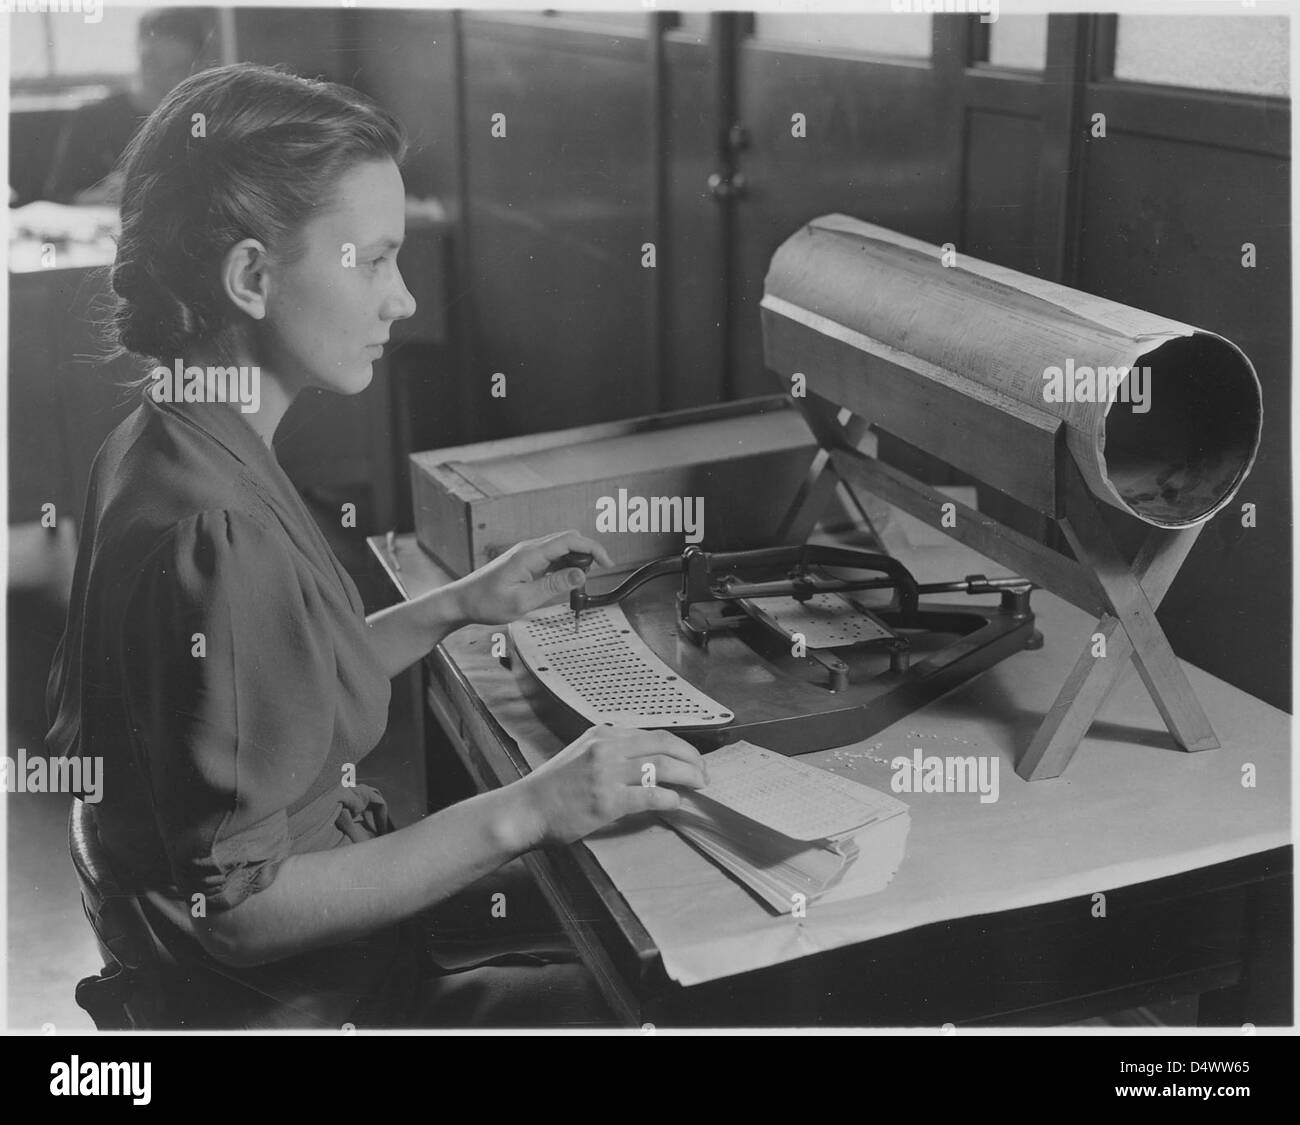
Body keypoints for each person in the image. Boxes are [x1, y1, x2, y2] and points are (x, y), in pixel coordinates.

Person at [45, 62, 706, 1029]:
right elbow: (238, 913)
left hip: (300, 970)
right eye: (374, 259)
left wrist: (457, 603)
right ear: (252, 277)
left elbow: (269, 671)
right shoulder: (216, 531)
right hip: (288, 1001)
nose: (401, 300)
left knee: (633, 910)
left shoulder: (168, 437)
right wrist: (530, 806)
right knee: (669, 997)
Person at [43, 7, 211, 205]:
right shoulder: (91, 116)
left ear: (196, 67)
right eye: (152, 62)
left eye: (176, 69)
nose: (159, 76)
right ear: (137, 50)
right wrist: (101, 196)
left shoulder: (200, 119)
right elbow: (57, 195)